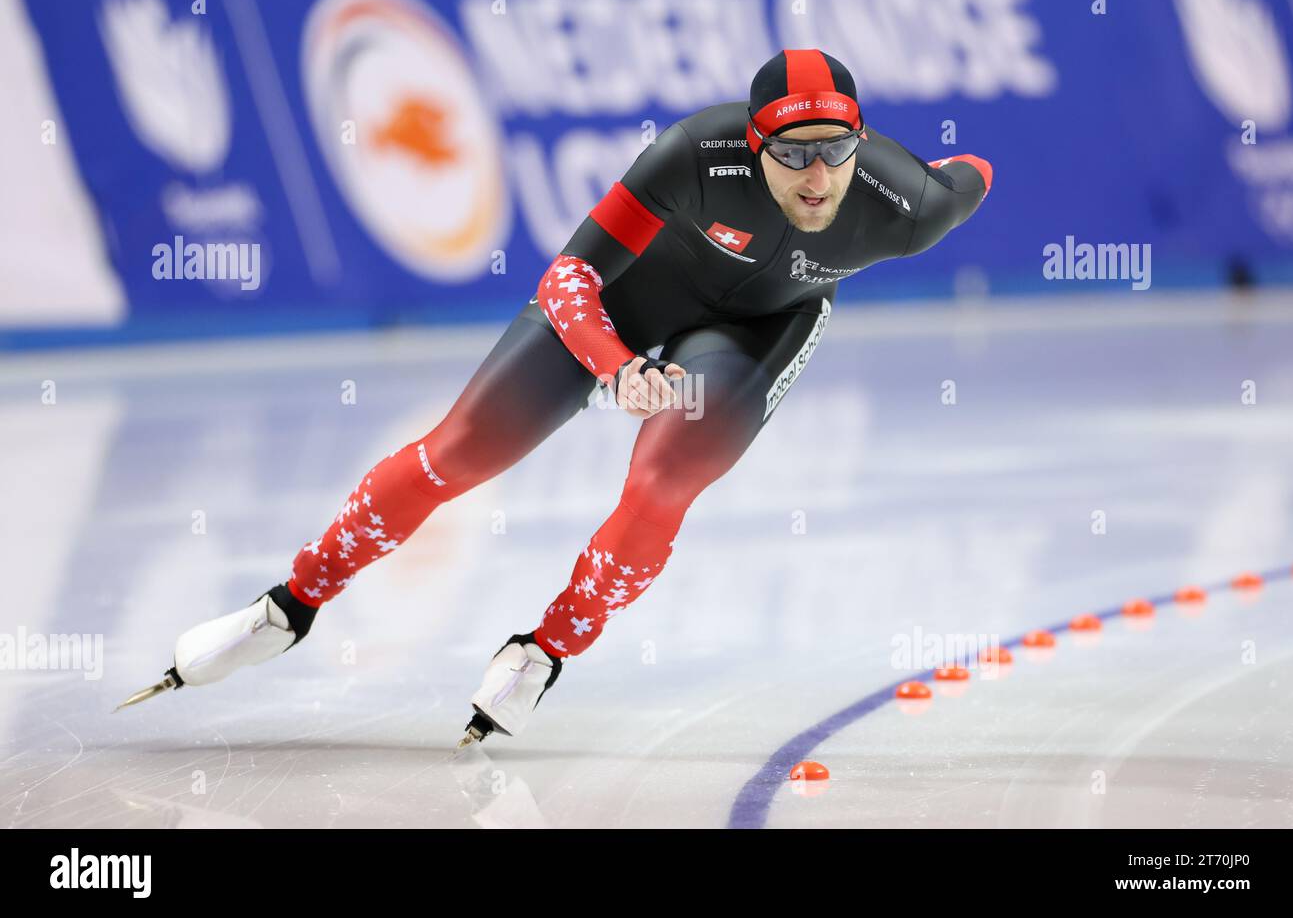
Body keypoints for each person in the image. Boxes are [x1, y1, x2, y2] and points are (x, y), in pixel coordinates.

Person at [117, 50, 992, 745]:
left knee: (661, 486)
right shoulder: (693, 153)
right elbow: (572, 272)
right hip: (622, 304)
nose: (816, 175)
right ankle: (289, 605)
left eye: (836, 150)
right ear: (754, 145)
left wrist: (939, 168)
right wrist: (615, 366)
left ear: (860, 141)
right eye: (792, 153)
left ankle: (546, 650)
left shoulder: (905, 208)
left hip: (758, 329)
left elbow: (970, 173)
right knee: (460, 450)